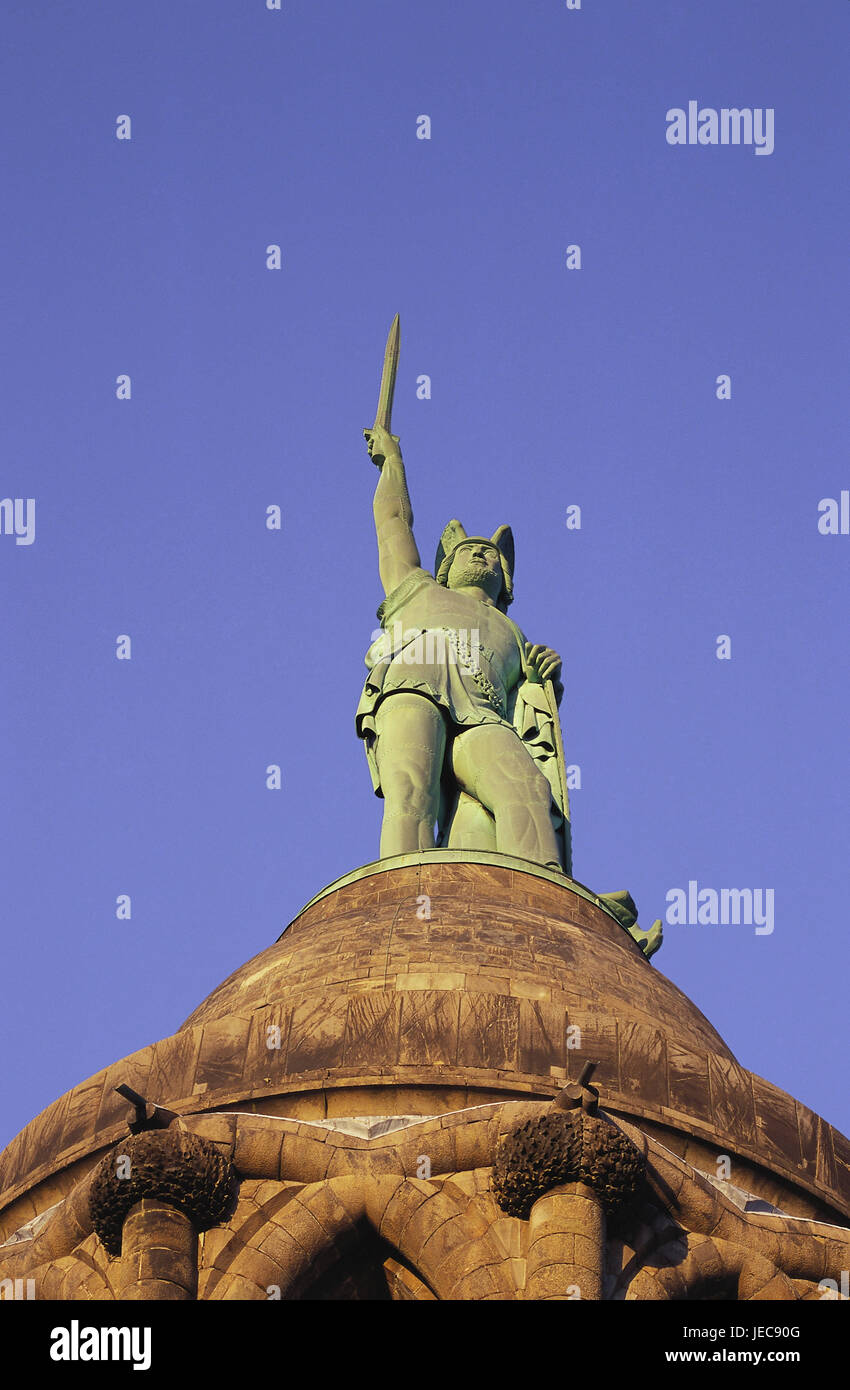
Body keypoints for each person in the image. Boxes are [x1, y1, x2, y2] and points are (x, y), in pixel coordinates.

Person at [356, 423, 570, 871]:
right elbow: (393, 522)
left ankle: (545, 906)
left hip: (485, 711)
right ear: (445, 566)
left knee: (527, 789)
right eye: (469, 549)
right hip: (417, 675)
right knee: (413, 793)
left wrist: (542, 678)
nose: (481, 554)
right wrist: (392, 461)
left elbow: (528, 708)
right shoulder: (415, 588)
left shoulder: (514, 634)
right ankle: (402, 903)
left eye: (490, 553)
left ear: (505, 577)